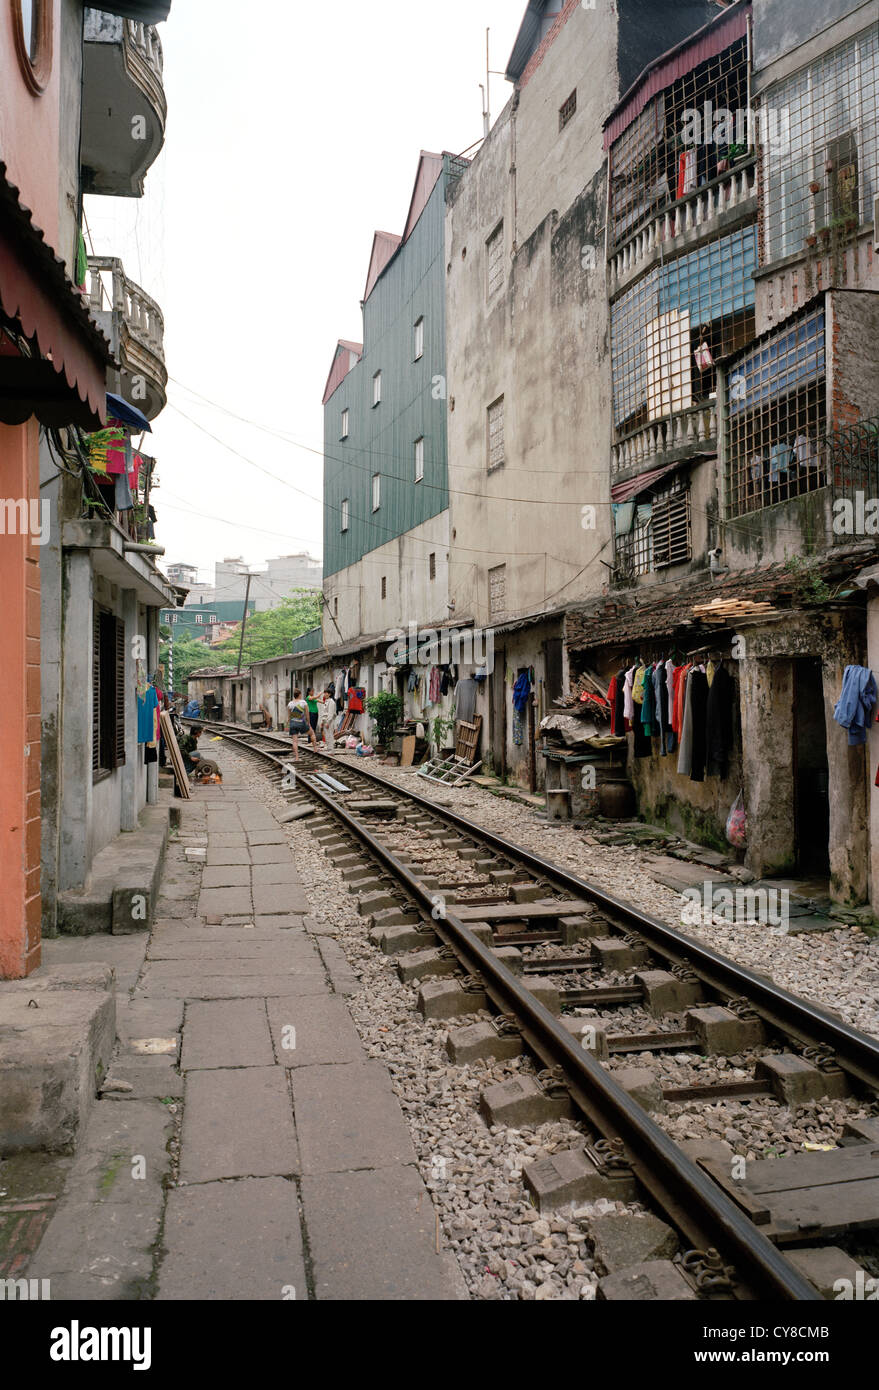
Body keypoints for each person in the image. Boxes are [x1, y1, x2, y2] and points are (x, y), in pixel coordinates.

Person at [287, 688, 316, 759]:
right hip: (301, 723)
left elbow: (289, 716)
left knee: (294, 741)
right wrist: (308, 723)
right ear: (299, 695)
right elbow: (307, 714)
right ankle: (315, 748)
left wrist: (288, 723)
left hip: (293, 723)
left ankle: (296, 757)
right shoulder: (303, 702)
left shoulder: (290, 704)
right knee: (312, 733)